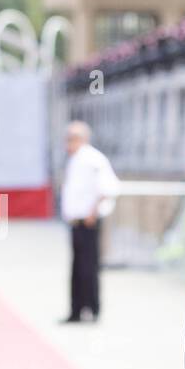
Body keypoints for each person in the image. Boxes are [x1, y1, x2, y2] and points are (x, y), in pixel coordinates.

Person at [59, 120, 120, 324]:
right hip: (76, 221)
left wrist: (92, 212)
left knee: (89, 267)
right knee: (77, 268)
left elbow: (108, 187)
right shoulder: (75, 159)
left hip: (88, 222)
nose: (68, 143)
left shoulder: (92, 158)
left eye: (71, 138)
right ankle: (76, 309)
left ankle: (92, 309)